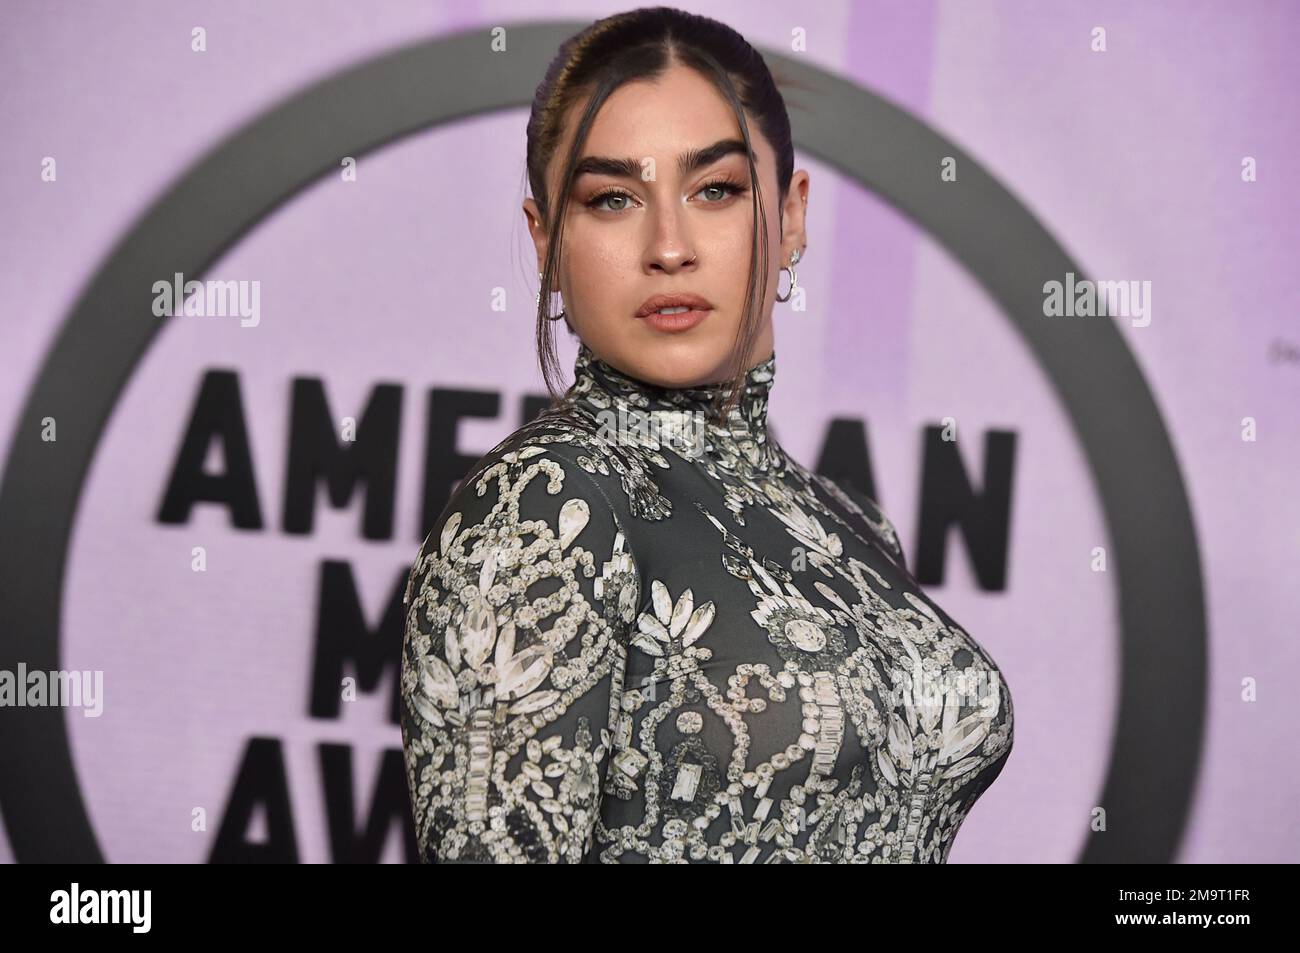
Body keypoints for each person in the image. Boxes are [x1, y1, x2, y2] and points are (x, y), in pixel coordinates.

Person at [399, 5, 1013, 863]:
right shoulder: (543, 507)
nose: (669, 246)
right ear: (546, 242)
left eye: (715, 189)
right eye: (612, 198)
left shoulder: (854, 521)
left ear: (791, 215)